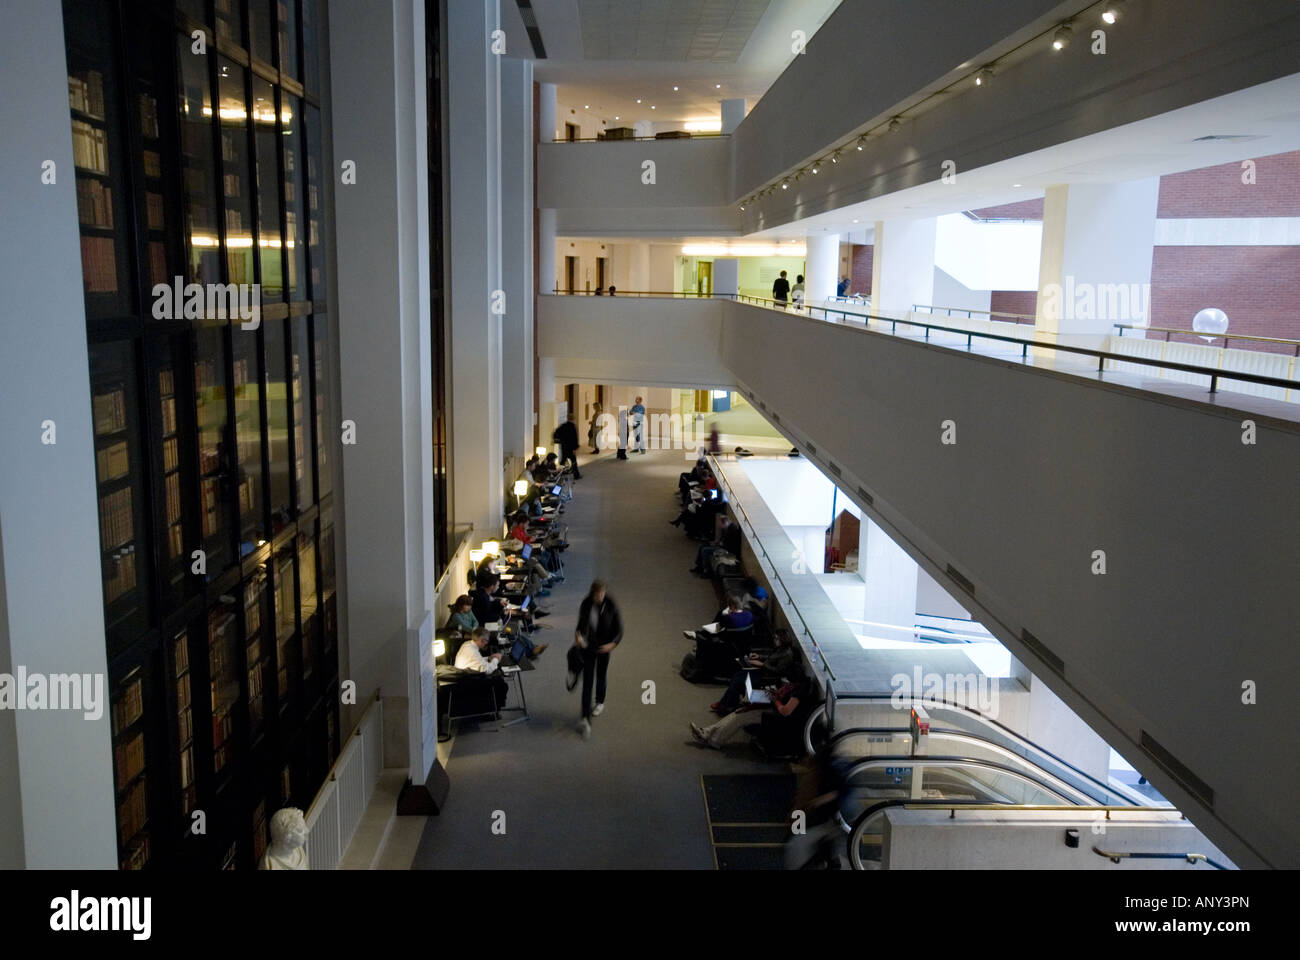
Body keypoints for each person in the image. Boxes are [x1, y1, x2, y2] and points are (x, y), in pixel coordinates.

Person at [570, 580, 623, 740]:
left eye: (603, 593)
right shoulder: (586, 604)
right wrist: (578, 636)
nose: (601, 596)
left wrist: (612, 644)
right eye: (598, 594)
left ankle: (600, 701)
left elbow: (619, 629)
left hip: (604, 647)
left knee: (601, 674)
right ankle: (585, 717)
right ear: (592, 593)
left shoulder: (611, 604)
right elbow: (580, 626)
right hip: (589, 648)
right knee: (587, 681)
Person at [453, 627, 509, 706]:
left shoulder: (468, 644)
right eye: (486, 641)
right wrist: (496, 659)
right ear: (482, 640)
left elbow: (476, 660)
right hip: (467, 681)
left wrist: (489, 658)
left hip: (463, 674)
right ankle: (495, 707)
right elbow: (487, 670)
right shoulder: (473, 652)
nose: (487, 643)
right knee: (501, 684)